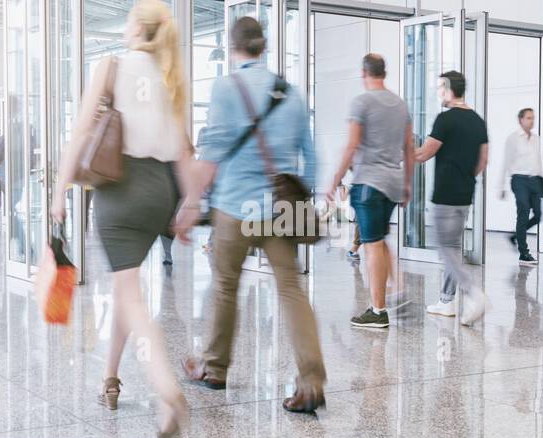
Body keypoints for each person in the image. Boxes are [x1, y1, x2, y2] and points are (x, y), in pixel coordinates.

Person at [50, 0, 190, 438]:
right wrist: (190, 205)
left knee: (131, 298)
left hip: (121, 190)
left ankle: (167, 391)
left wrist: (59, 192)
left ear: (133, 28)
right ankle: (110, 377)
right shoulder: (171, 77)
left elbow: (78, 134)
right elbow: (185, 153)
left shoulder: (110, 66)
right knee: (125, 287)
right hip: (160, 193)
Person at [177, 16, 327, 414]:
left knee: (226, 286)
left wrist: (192, 202)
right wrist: (301, 196)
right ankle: (311, 381)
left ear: (233, 47)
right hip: (280, 209)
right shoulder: (291, 94)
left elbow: (212, 151)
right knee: (292, 291)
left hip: (234, 207)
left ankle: (214, 368)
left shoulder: (226, 88)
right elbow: (311, 157)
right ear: (264, 47)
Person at [326, 53, 413, 329]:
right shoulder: (400, 105)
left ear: (364, 73)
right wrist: (408, 184)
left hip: (369, 182)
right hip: (392, 183)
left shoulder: (362, 102)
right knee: (380, 240)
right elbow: (409, 148)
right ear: (383, 73)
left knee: (372, 245)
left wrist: (336, 178)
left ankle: (378, 311)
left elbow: (352, 145)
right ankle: (395, 290)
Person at [415, 71, 489, 326]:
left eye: (439, 88)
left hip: (445, 194)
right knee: (453, 247)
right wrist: (465, 177)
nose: (438, 92)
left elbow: (425, 153)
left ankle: (473, 292)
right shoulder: (478, 121)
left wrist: (402, 153)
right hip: (465, 193)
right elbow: (483, 161)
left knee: (445, 248)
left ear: (448, 89)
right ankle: (447, 301)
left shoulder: (445, 120)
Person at [499, 108, 543, 264]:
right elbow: (506, 162)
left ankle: (514, 236)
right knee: (523, 212)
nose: (532, 121)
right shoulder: (513, 139)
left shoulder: (536, 139)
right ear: (521, 120)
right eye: (528, 118)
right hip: (519, 180)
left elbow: (538, 161)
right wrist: (502, 186)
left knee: (538, 215)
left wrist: (542, 182)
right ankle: (524, 253)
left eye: (533, 118)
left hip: (535, 180)